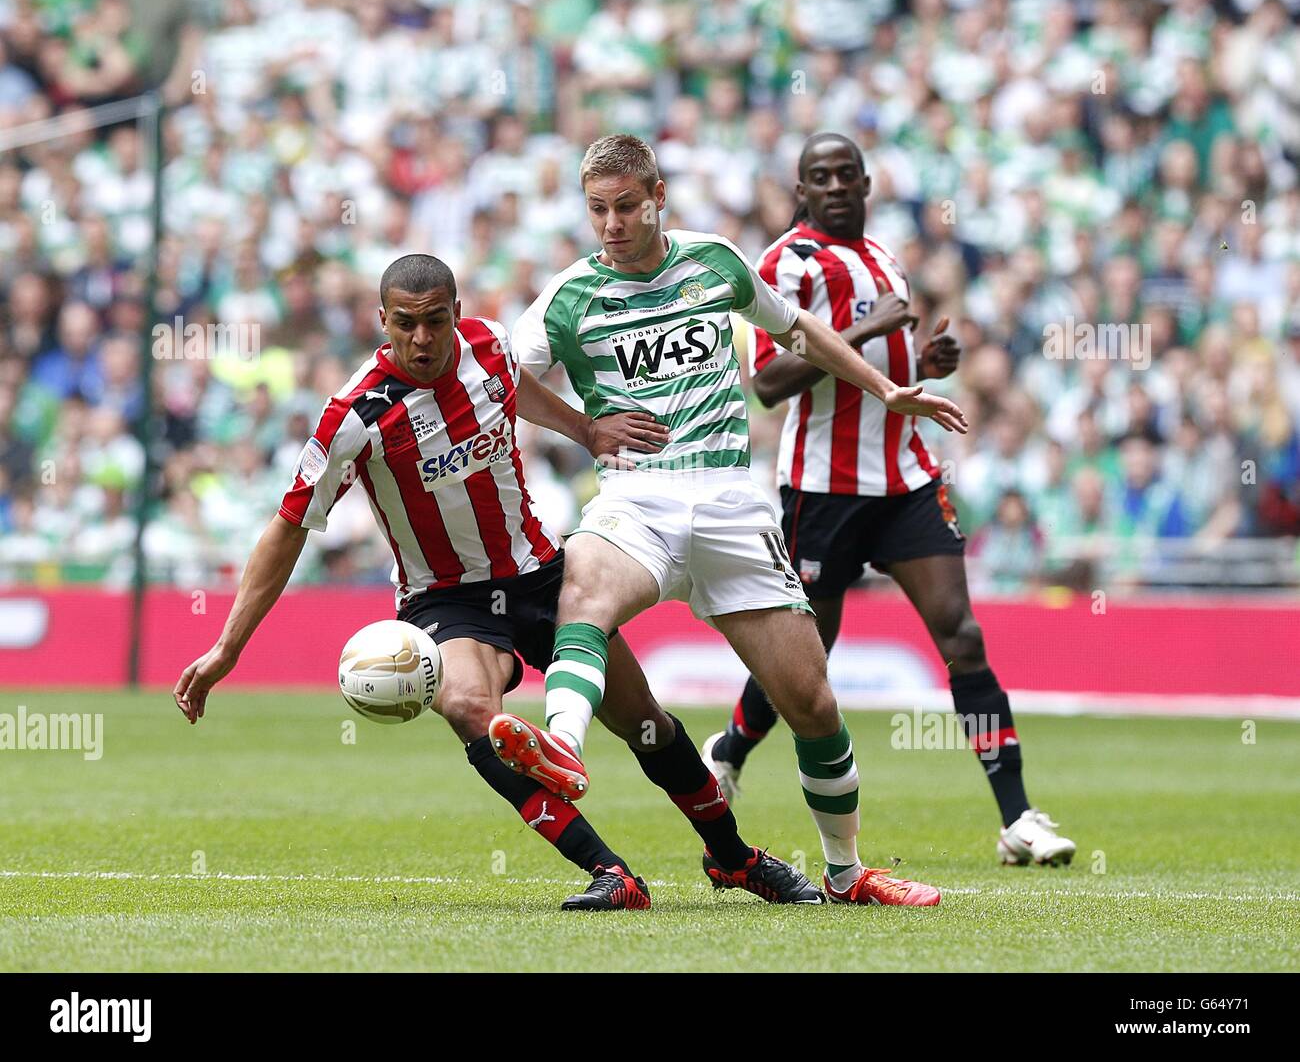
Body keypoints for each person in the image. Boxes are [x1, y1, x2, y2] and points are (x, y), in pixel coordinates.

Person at [174, 254, 823, 911]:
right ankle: (610, 873)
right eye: (405, 324)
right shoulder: (356, 416)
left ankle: (735, 859)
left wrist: (585, 428)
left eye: (435, 321)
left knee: (645, 722)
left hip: (540, 573)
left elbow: (517, 384)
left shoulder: (490, 345)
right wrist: (227, 647)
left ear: (456, 314)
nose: (422, 339)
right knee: (467, 709)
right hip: (444, 599)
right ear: (382, 321)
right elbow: (288, 527)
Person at [492, 135, 967, 906]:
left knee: (810, 700)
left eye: (625, 206)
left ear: (658, 198)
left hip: (729, 501)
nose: (611, 223)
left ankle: (847, 873)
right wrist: (584, 429)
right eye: (597, 210)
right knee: (583, 594)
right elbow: (501, 380)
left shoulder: (715, 262)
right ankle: (564, 747)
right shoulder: (570, 297)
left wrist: (889, 387)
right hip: (635, 498)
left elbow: (799, 334)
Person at [701, 134, 1075, 867]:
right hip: (822, 487)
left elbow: (884, 362)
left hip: (906, 475)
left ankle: (1018, 818)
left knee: (961, 634)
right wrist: (872, 329)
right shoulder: (783, 264)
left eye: (847, 174)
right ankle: (732, 745)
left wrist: (925, 361)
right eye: (820, 177)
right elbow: (769, 382)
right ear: (801, 189)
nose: (836, 186)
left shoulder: (883, 256)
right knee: (808, 660)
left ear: (867, 182)